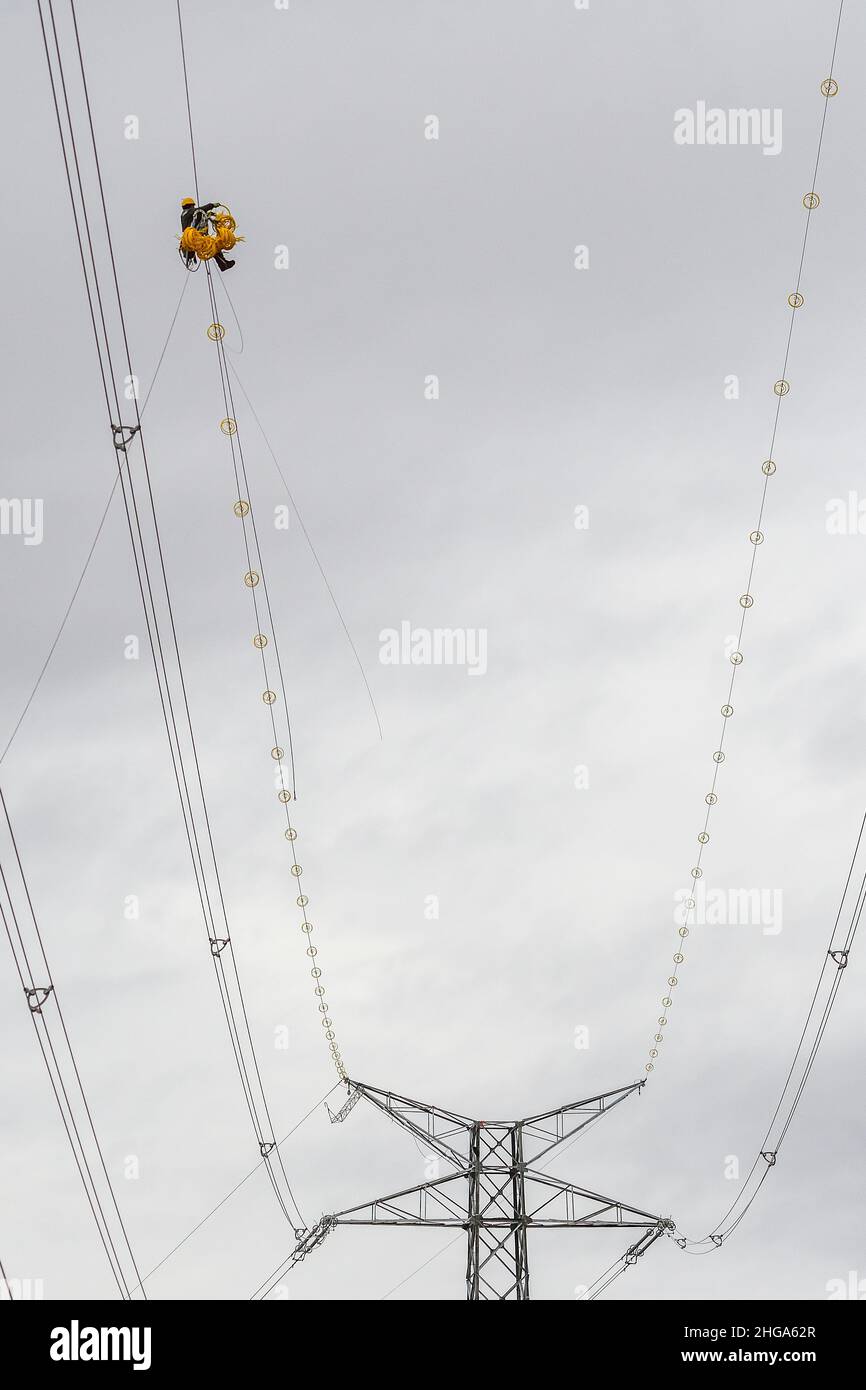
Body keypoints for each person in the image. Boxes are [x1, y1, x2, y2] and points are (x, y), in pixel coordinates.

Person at [179, 197, 236, 272]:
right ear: (190, 205)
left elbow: (197, 217)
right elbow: (199, 210)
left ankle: (223, 264)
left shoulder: (186, 214)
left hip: (189, 241)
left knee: (212, 246)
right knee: (212, 246)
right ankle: (223, 264)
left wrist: (208, 215)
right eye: (193, 206)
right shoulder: (189, 212)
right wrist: (212, 205)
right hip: (194, 239)